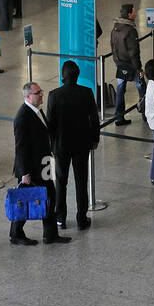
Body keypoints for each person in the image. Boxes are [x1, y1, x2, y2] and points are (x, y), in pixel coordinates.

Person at [11, 83, 72, 246]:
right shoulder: (22, 117)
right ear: (28, 97)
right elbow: (21, 147)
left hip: (45, 162)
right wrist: (24, 172)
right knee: (25, 199)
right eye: (38, 93)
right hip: (31, 168)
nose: (41, 95)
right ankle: (16, 233)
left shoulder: (37, 111)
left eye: (41, 92)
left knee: (50, 197)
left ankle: (50, 234)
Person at [45, 60, 99, 229]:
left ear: (63, 76)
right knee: (81, 181)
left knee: (61, 182)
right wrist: (94, 139)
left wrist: (51, 145)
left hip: (61, 146)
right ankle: (81, 219)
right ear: (77, 76)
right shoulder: (87, 92)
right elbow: (94, 120)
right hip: (82, 145)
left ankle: (60, 218)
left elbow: (50, 124)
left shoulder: (54, 95)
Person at [110, 3, 143, 126]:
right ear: (129, 14)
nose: (135, 13)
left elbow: (113, 46)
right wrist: (139, 69)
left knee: (120, 89)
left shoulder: (115, 28)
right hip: (130, 65)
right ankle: (146, 113)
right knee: (141, 86)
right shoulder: (130, 30)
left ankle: (119, 117)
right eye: (134, 11)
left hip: (120, 64)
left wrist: (117, 61)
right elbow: (133, 52)